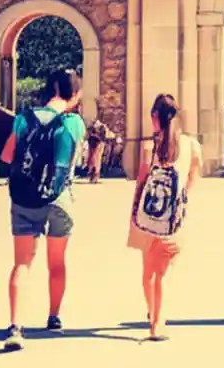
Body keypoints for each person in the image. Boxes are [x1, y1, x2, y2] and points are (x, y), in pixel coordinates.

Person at [0, 69, 86, 352]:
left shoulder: (23, 118)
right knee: (57, 262)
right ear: (75, 94)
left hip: (24, 197)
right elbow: (75, 158)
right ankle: (53, 316)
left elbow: (7, 156)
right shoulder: (74, 123)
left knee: (21, 263)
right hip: (59, 198)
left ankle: (15, 326)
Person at [128, 94, 201, 340]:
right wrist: (184, 196)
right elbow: (195, 171)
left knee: (148, 271)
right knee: (164, 272)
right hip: (173, 217)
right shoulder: (191, 145)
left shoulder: (150, 148)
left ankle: (152, 314)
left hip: (149, 216)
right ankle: (158, 323)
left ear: (155, 117)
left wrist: (135, 212)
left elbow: (141, 179)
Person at [85, 119, 111, 184]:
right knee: (95, 161)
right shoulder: (99, 128)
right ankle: (94, 176)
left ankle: (94, 176)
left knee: (94, 161)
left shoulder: (96, 129)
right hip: (96, 145)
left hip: (96, 145)